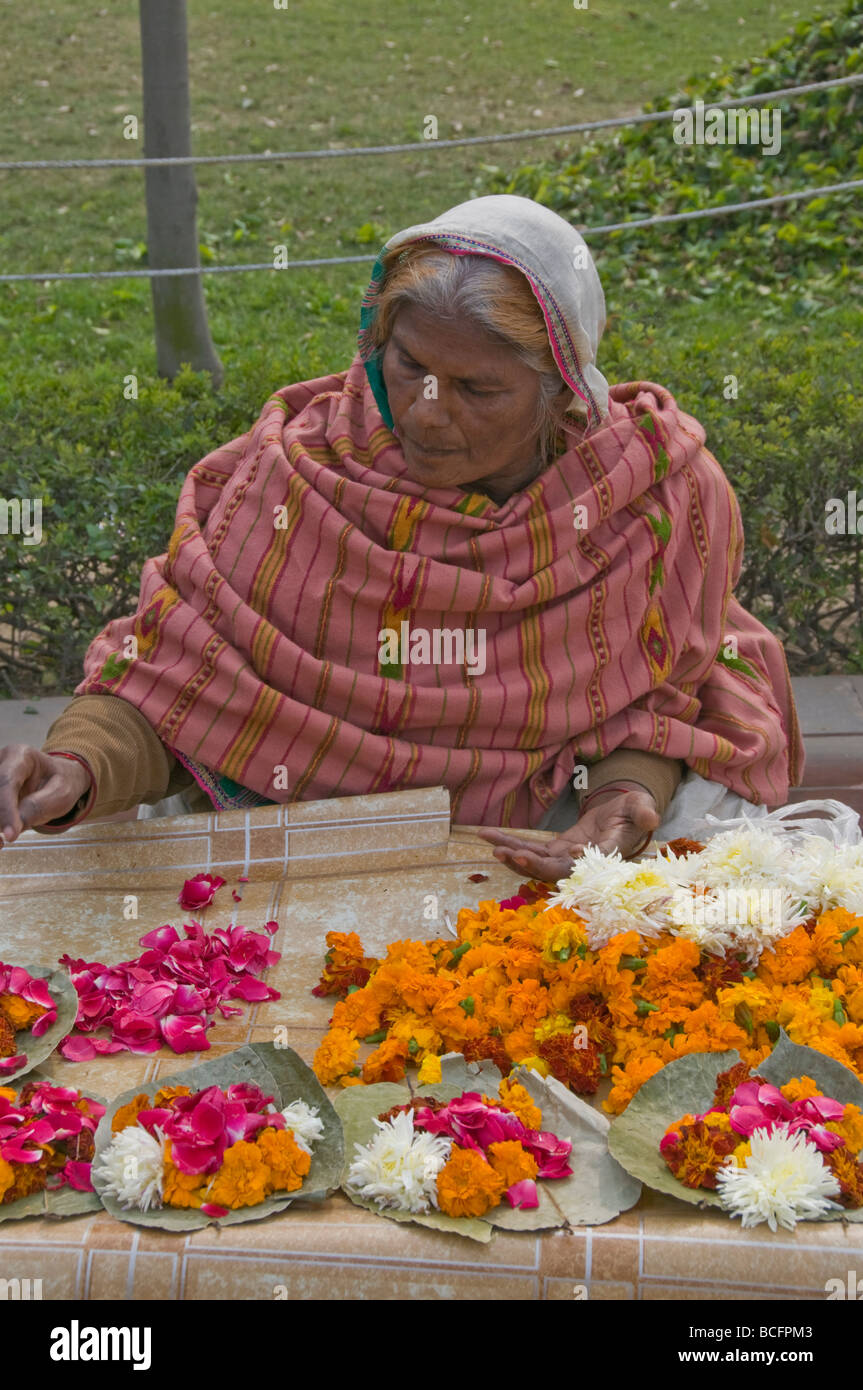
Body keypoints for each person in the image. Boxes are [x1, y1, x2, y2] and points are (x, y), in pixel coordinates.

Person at [0, 195, 803, 879]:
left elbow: (660, 698)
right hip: (296, 824)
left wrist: (622, 802)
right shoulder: (292, 476)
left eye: (476, 388)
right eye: (408, 362)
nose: (424, 408)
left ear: (561, 392)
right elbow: (180, 684)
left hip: (545, 834)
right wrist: (76, 768)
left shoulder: (649, 502)